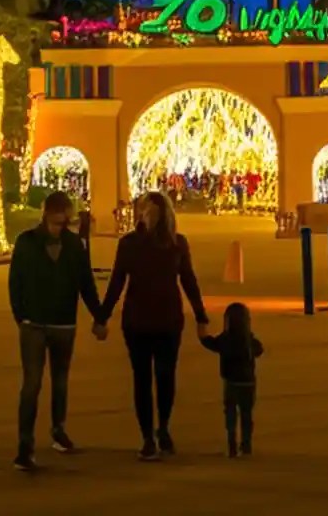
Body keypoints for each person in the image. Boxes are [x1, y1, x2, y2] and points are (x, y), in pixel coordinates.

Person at [99, 191, 208, 460]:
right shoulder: (129, 244)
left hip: (167, 320)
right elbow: (116, 283)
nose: (147, 215)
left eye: (151, 211)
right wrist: (102, 316)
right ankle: (148, 435)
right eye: (144, 211)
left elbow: (189, 281)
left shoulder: (177, 244)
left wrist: (201, 316)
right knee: (143, 379)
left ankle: (163, 428)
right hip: (138, 321)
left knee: (165, 377)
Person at [8, 191, 106, 472]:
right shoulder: (26, 243)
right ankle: (24, 446)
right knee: (32, 384)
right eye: (55, 222)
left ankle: (58, 430)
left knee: (60, 381)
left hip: (64, 323)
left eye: (64, 223)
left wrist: (99, 317)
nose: (59, 228)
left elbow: (86, 283)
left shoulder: (75, 246)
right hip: (34, 324)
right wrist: (22, 317)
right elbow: (15, 281)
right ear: (46, 215)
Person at [200, 302, 264, 458]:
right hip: (248, 383)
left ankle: (232, 444)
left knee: (230, 413)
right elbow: (260, 350)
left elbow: (212, 344)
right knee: (246, 414)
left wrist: (202, 335)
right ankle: (246, 444)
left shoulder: (225, 339)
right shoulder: (249, 340)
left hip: (231, 382)